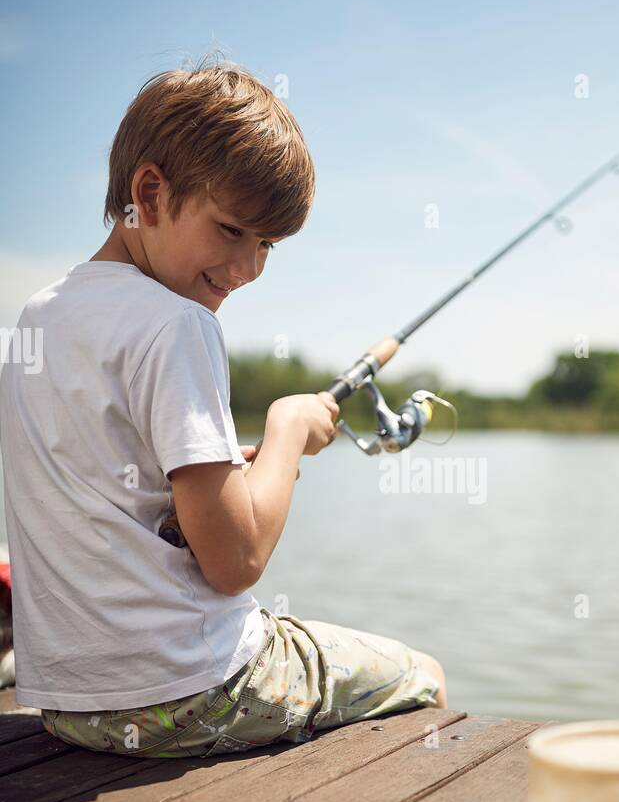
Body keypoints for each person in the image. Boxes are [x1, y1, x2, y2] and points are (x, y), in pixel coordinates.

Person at [0, 58, 446, 759]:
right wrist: (287, 432)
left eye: (267, 244)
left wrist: (232, 467)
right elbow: (236, 561)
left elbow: (109, 486)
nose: (248, 270)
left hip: (67, 704)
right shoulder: (178, 325)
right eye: (232, 230)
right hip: (190, 692)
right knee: (424, 677)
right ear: (149, 193)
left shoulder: (35, 319)